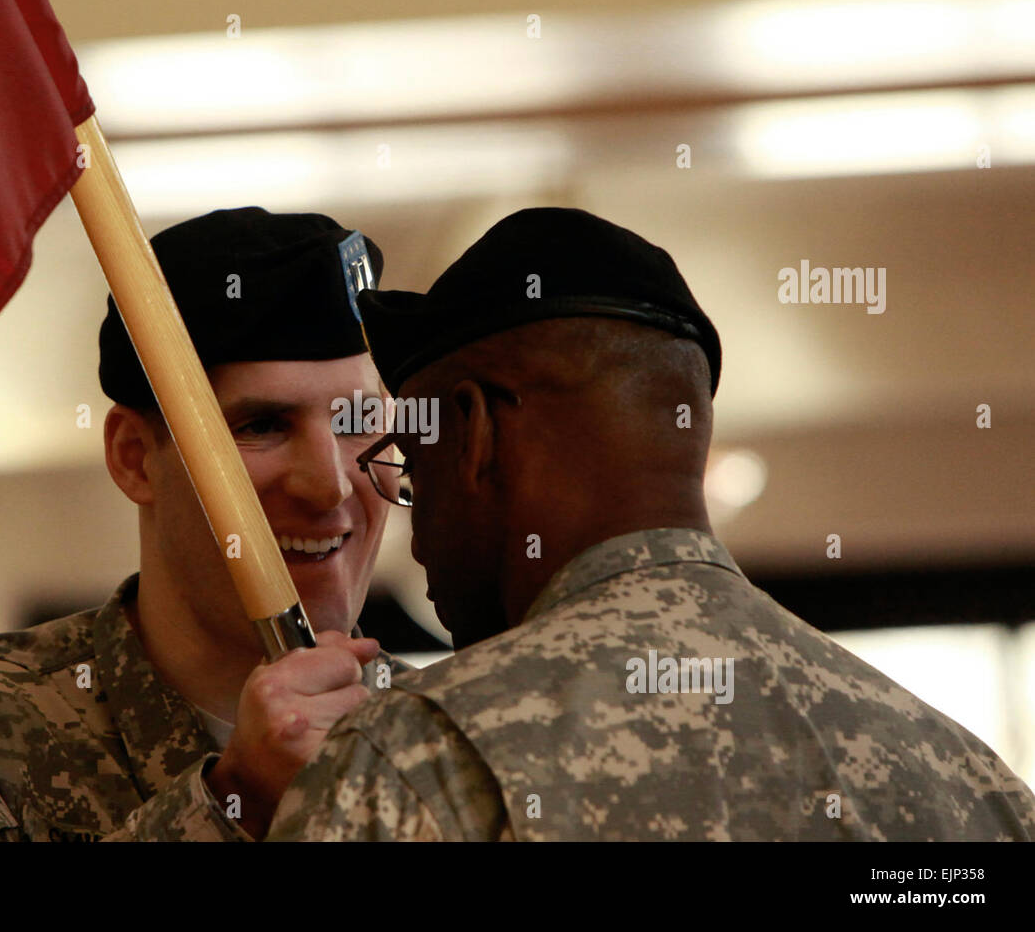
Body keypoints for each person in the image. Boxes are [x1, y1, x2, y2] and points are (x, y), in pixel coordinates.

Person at [267, 207, 1035, 841]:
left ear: (475, 434)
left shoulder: (416, 761)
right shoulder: (976, 786)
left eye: (419, 470)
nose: (420, 536)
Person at [0, 207, 407, 841]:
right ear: (134, 458)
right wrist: (236, 802)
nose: (331, 483)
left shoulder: (463, 726)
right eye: (261, 426)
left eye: (356, 421)